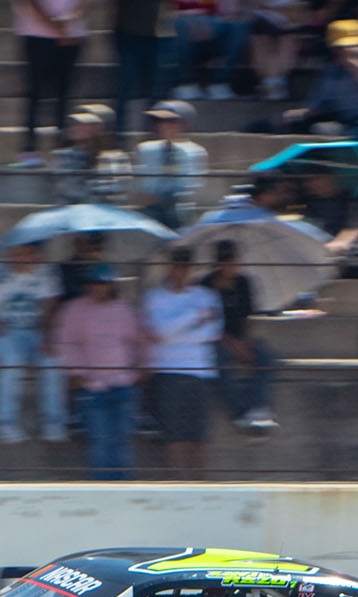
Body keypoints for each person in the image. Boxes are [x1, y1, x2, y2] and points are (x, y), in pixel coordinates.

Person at [0, 240, 66, 444]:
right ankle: (5, 423)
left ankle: (53, 423)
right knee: (12, 358)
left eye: (26, 253)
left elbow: (50, 304)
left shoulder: (44, 273)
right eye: (16, 252)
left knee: (51, 360)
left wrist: (47, 336)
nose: (19, 257)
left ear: (36, 255)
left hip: (32, 333)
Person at [51, 264, 144, 478]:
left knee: (122, 440)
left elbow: (139, 341)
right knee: (100, 440)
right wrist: (76, 373)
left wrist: (140, 368)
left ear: (111, 286)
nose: (99, 288)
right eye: (94, 284)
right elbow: (66, 343)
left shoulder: (124, 310)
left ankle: (123, 493)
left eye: (103, 284)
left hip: (123, 384)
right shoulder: (74, 310)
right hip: (93, 387)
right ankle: (102, 494)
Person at [141, 244, 223, 476]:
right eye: (177, 266)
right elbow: (159, 334)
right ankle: (178, 487)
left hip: (201, 372)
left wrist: (177, 330)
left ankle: (201, 488)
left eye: (186, 267)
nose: (182, 272)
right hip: (169, 372)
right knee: (175, 438)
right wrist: (195, 316)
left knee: (199, 438)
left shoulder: (207, 296)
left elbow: (212, 334)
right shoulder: (154, 297)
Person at [201, 238, 278, 433]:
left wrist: (245, 342)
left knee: (267, 356)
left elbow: (248, 316)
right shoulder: (205, 286)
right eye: (229, 263)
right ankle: (240, 413)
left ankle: (258, 407)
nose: (233, 267)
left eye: (236, 262)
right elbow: (207, 325)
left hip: (240, 337)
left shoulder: (244, 282)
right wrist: (231, 345)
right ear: (220, 264)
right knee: (221, 363)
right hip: (215, 340)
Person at [271, 20, 358, 136]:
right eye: (340, 47)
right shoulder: (330, 71)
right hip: (341, 120)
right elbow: (317, 105)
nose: (344, 51)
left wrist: (354, 62)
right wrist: (295, 115)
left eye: (352, 46)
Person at [15, 0, 86, 167]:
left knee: (64, 94)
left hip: (71, 35)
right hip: (36, 34)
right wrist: (54, 26)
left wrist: (68, 21)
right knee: (35, 95)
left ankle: (62, 150)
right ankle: (29, 150)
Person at [134, 100, 207, 230]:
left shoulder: (195, 151)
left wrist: (167, 197)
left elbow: (193, 184)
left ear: (184, 124)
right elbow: (142, 181)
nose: (162, 126)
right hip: (150, 208)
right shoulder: (145, 149)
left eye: (169, 122)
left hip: (179, 208)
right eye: (157, 121)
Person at [51, 104, 130, 204]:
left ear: (99, 128)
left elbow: (114, 193)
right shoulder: (64, 156)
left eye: (82, 124)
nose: (75, 127)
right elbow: (67, 191)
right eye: (75, 123)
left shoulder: (116, 158)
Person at [171, 0, 247, 101]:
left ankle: (219, 84)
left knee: (239, 26)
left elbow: (231, 13)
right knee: (182, 24)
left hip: (214, 24)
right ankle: (185, 83)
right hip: (179, 22)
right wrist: (194, 16)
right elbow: (163, 12)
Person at [112, 0, 165, 124]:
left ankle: (153, 126)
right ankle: (119, 128)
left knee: (152, 85)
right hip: (127, 33)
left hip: (152, 34)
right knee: (125, 80)